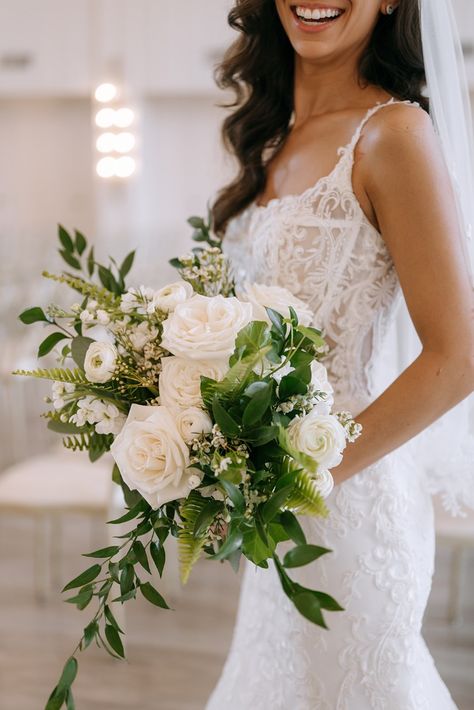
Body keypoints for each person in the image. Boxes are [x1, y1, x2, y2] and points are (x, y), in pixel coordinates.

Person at [205, 1, 474, 708]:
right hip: (275, 512)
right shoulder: (272, 141)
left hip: (351, 505)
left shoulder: (392, 134)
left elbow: (458, 356)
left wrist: (306, 476)